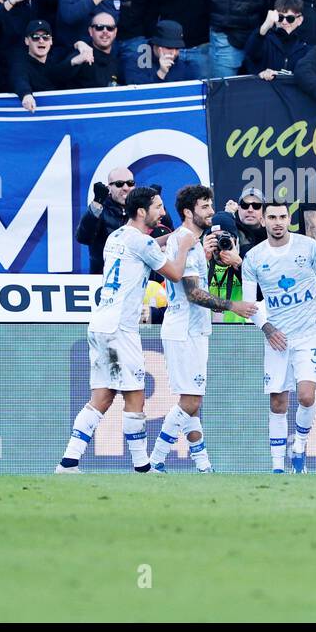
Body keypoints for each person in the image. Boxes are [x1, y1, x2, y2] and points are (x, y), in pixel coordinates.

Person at [55, 186, 192, 473]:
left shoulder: (115, 237)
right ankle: (142, 467)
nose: (163, 212)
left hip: (100, 324)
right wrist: (186, 245)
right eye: (157, 207)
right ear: (142, 211)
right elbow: (176, 273)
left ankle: (68, 462)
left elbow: (149, 245)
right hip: (121, 329)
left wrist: (174, 237)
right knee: (135, 396)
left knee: (101, 398)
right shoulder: (143, 244)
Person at [149, 185, 257, 473]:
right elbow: (193, 293)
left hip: (193, 329)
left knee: (191, 400)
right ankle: (155, 461)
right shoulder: (185, 240)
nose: (211, 212)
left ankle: (203, 464)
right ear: (188, 212)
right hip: (185, 330)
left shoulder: (190, 242)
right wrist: (233, 306)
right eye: (205, 207)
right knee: (191, 399)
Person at [241, 201, 316, 473]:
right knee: (277, 401)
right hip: (277, 337)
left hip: (308, 334)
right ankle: (277, 466)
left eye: (282, 216)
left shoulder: (309, 248)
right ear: (263, 221)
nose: (278, 222)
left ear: (289, 218)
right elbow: (248, 305)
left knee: (306, 396)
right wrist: (267, 328)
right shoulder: (253, 257)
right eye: (272, 217)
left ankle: (299, 444)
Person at [77, 166, 134, 274]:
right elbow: (83, 238)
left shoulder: (141, 209)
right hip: (104, 279)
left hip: (136, 279)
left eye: (130, 183)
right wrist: (97, 203)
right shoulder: (99, 209)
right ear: (109, 188)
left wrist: (157, 207)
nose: (126, 188)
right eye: (119, 184)